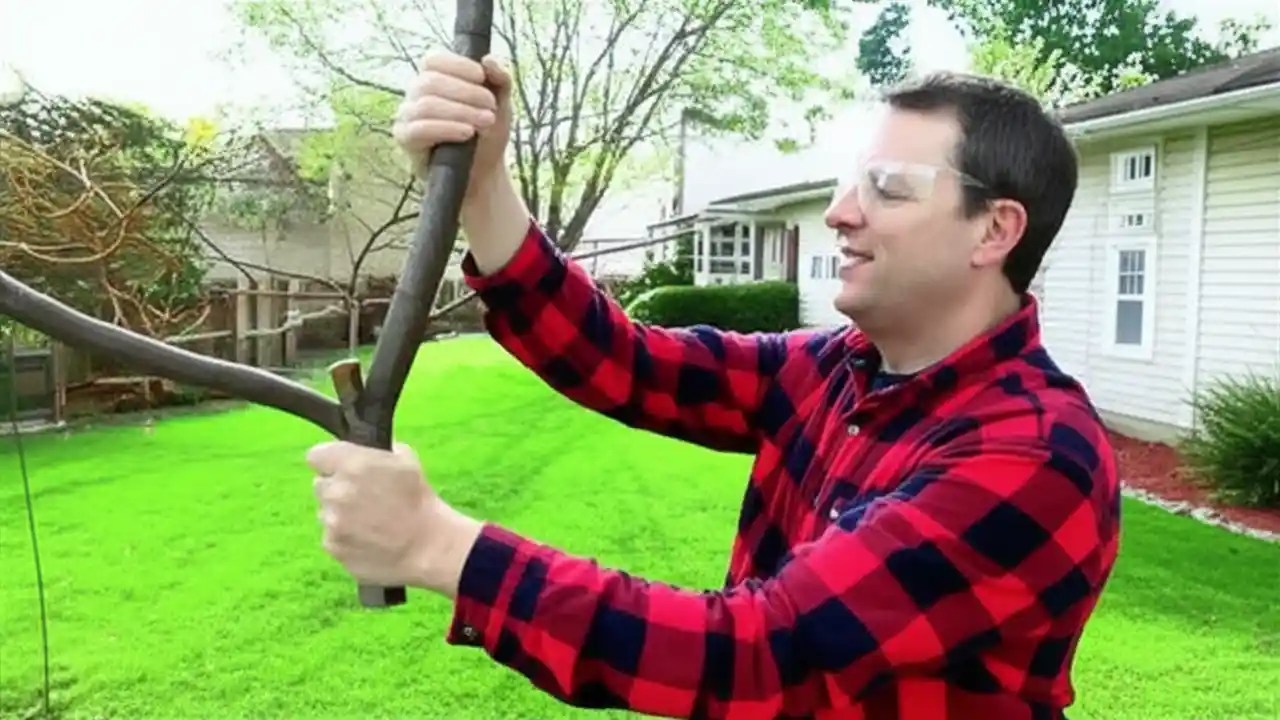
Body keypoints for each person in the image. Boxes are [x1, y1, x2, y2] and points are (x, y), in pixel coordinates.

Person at [306, 48, 1121, 719]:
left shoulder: (1036, 457)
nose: (839, 212)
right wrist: (484, 184)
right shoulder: (830, 372)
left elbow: (763, 656)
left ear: (995, 229)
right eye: (851, 181)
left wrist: (438, 547)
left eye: (888, 187)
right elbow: (623, 362)